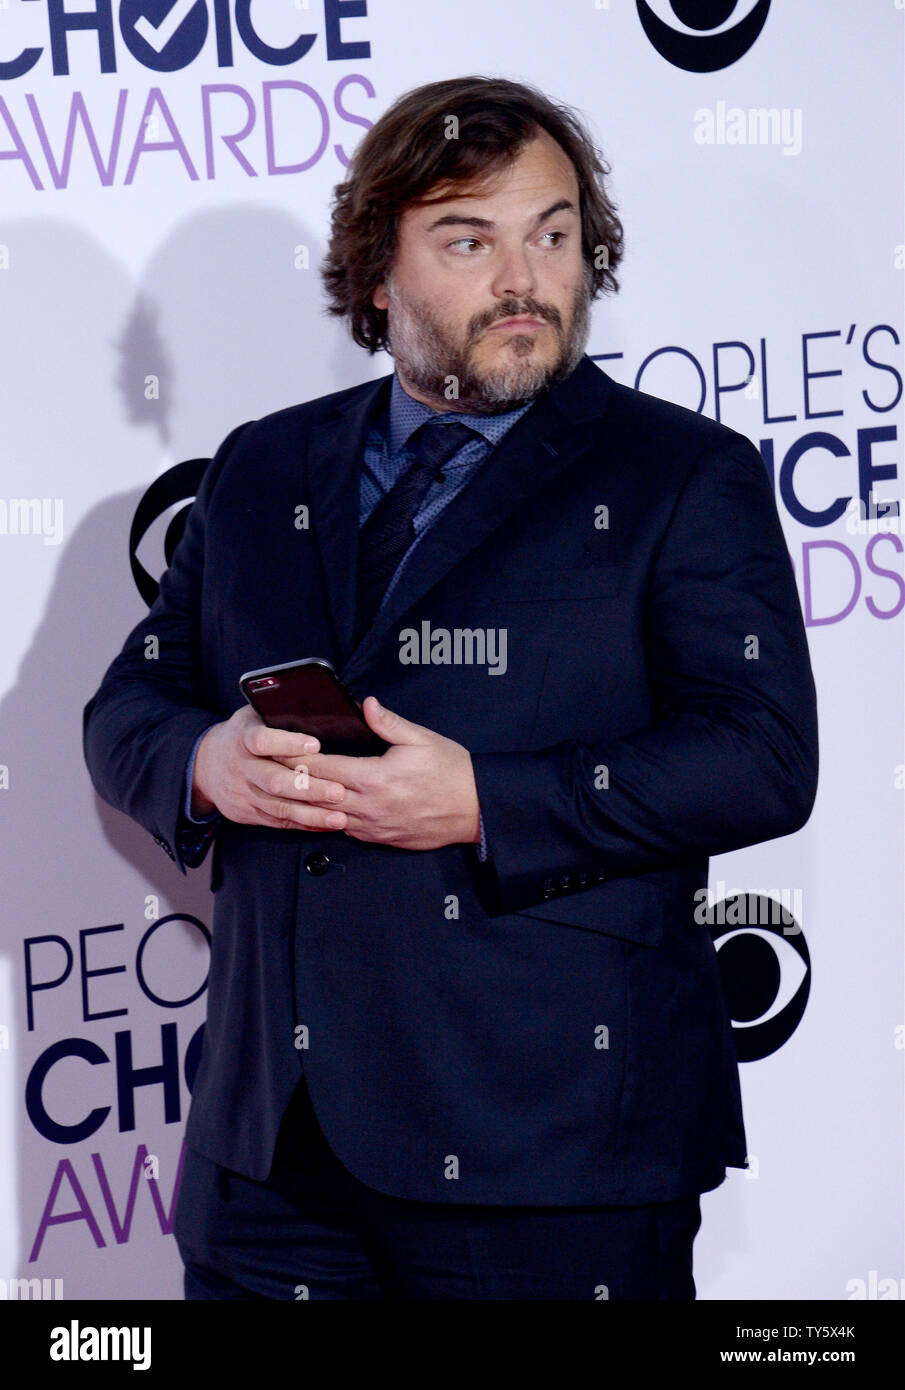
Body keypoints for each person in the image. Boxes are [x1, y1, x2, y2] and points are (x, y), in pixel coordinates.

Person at [83, 75, 818, 1301]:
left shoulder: (680, 475)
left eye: (552, 233)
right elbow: (129, 707)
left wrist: (485, 798)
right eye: (468, 240)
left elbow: (759, 754)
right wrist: (207, 763)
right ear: (376, 273)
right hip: (273, 1157)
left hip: (552, 1153)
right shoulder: (265, 467)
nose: (523, 279)